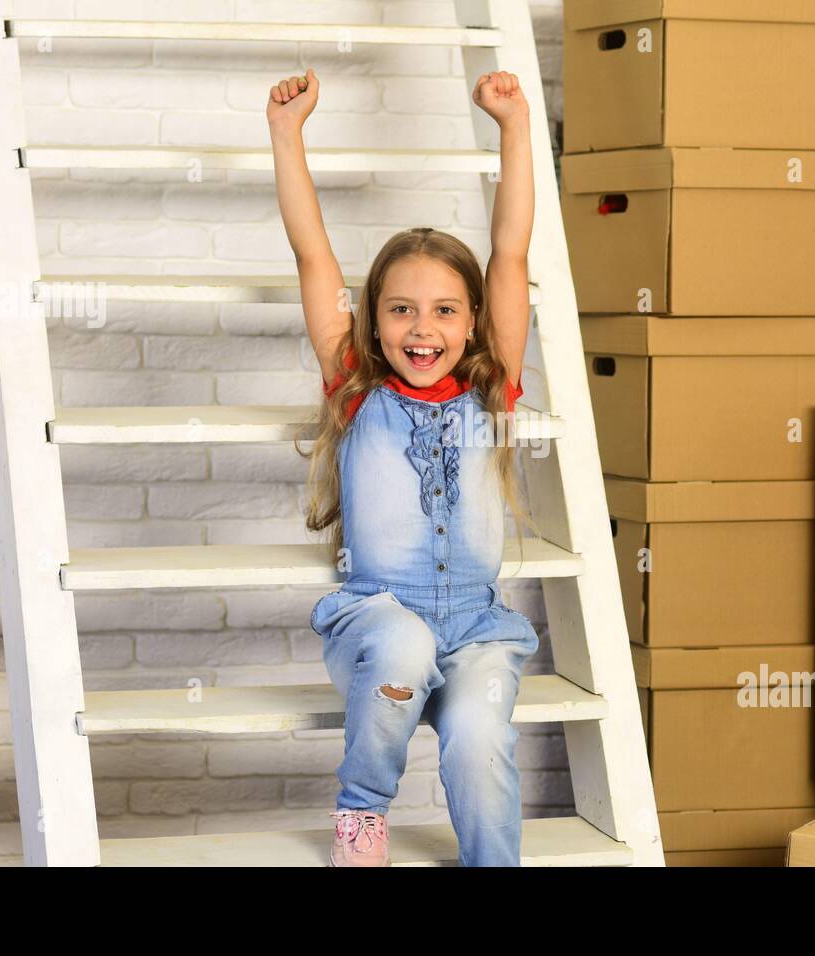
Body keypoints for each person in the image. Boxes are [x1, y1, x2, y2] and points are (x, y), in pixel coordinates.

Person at [268, 66, 541, 867]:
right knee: (403, 649)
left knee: (482, 736)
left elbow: (512, 255)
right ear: (375, 324)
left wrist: (516, 129)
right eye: (401, 310)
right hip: (379, 613)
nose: (424, 329)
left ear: (474, 323)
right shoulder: (357, 390)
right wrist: (288, 135)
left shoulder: (492, 389)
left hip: (476, 626)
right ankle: (361, 814)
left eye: (446, 310)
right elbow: (313, 255)